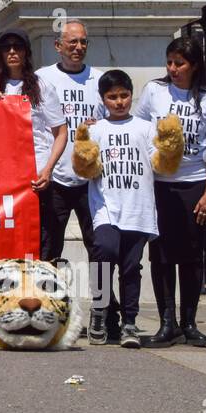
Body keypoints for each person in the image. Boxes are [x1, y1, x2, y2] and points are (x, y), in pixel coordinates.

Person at [135, 37, 206, 347]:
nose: (173, 69)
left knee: (191, 256)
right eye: (170, 62)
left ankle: (189, 322)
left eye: (180, 63)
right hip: (160, 185)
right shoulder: (154, 91)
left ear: (195, 65)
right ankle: (166, 323)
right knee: (160, 255)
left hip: (196, 182)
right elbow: (139, 134)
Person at [35, 20, 119, 339]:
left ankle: (104, 309)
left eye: (83, 42)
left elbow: (117, 121)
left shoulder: (100, 80)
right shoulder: (43, 78)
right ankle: (47, 309)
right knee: (48, 248)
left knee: (99, 247)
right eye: (71, 42)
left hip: (90, 180)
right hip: (54, 176)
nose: (78, 47)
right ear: (58, 45)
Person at [73, 70, 161, 349]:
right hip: (106, 208)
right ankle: (100, 309)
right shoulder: (96, 129)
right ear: (103, 99)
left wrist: (171, 143)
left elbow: (159, 163)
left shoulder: (146, 128)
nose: (119, 102)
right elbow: (84, 169)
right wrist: (82, 145)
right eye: (112, 97)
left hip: (138, 209)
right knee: (104, 253)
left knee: (131, 267)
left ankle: (130, 322)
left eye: (124, 95)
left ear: (131, 96)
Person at [0, 28, 68, 259]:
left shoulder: (42, 86)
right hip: (2, 177)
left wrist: (48, 170)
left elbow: (61, 132)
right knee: (6, 242)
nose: (12, 52)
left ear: (26, 52)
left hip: (35, 176)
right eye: (6, 47)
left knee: (40, 242)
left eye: (17, 47)